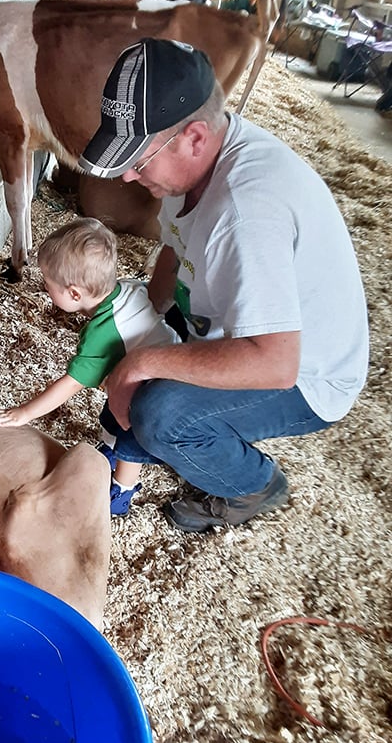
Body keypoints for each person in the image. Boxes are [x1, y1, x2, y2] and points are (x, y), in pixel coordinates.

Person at [78, 37, 369, 533]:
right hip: (230, 325)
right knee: (130, 343)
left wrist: (141, 363)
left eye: (139, 160)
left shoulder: (244, 213)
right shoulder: (191, 170)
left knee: (160, 414)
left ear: (194, 136)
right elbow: (174, 245)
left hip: (307, 373)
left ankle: (253, 485)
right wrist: (143, 313)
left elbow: (275, 362)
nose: (126, 176)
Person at [0, 218, 180, 516]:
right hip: (162, 365)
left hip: (161, 391)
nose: (44, 288)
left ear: (75, 294)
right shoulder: (124, 289)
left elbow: (71, 383)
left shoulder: (102, 332)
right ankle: (109, 451)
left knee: (131, 433)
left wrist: (22, 413)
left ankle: (121, 492)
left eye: (48, 284)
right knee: (115, 407)